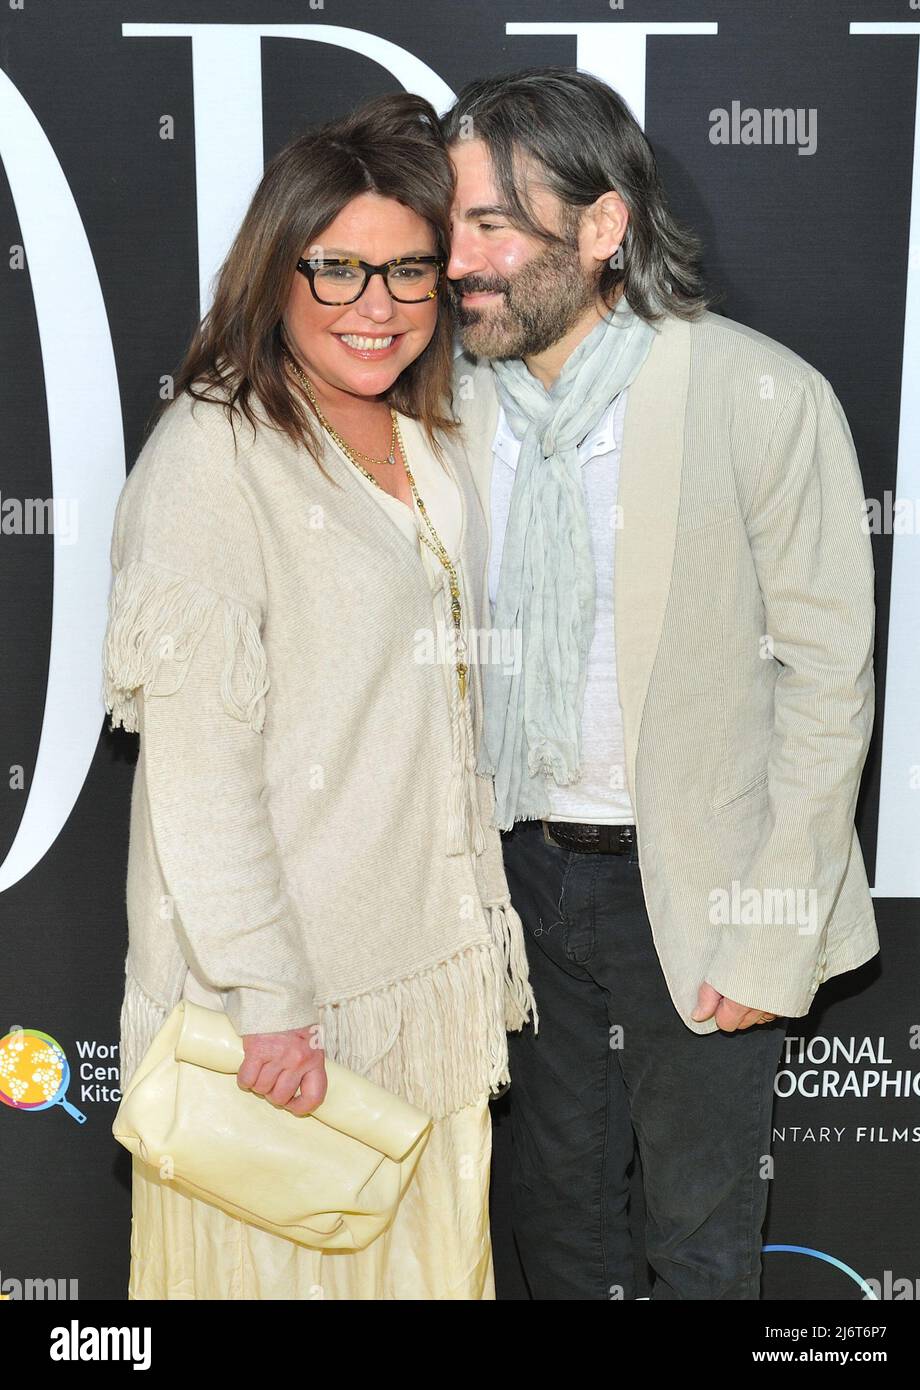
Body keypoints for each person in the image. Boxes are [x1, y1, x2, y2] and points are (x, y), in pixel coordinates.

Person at [441, 66, 879, 1300]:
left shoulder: (756, 395)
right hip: (514, 877)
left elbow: (827, 681)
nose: (459, 259)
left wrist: (769, 935)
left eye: (493, 223)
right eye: (452, 219)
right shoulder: (447, 412)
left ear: (600, 227)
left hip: (693, 884)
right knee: (552, 1226)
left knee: (697, 1241)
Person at [102, 91, 535, 1301]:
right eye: (337, 269)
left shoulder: (434, 436)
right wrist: (270, 1001)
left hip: (425, 981)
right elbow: (196, 767)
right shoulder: (211, 455)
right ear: (274, 269)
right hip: (286, 1018)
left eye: (408, 272)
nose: (378, 307)